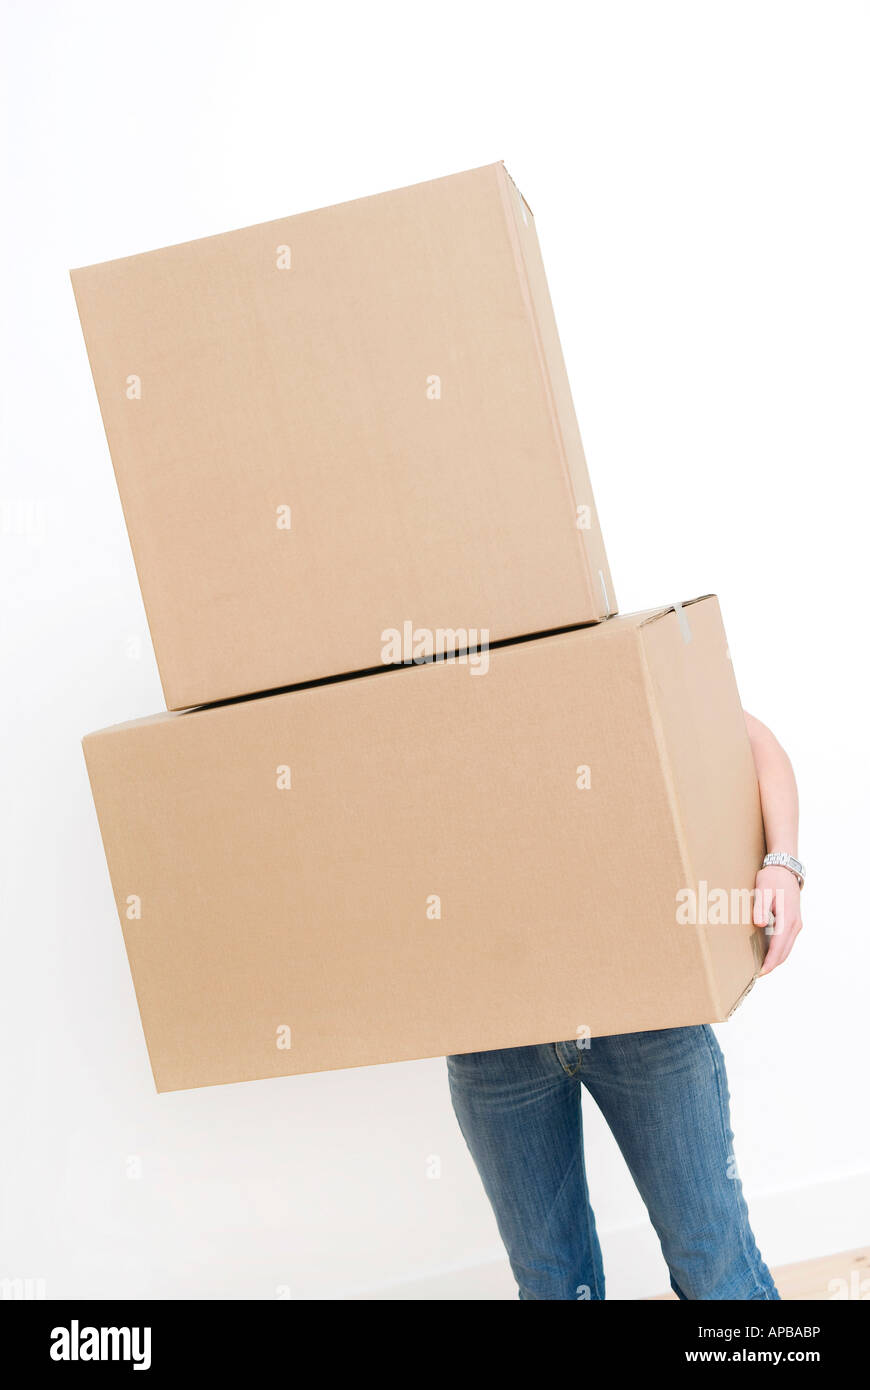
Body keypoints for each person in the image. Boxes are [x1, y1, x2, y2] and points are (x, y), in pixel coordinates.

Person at [447, 711, 802, 1301]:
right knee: (551, 1283)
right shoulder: (415, 688)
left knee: (716, 1267)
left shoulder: (601, 660)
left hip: (645, 1013)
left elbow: (748, 735)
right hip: (493, 1036)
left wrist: (782, 863)